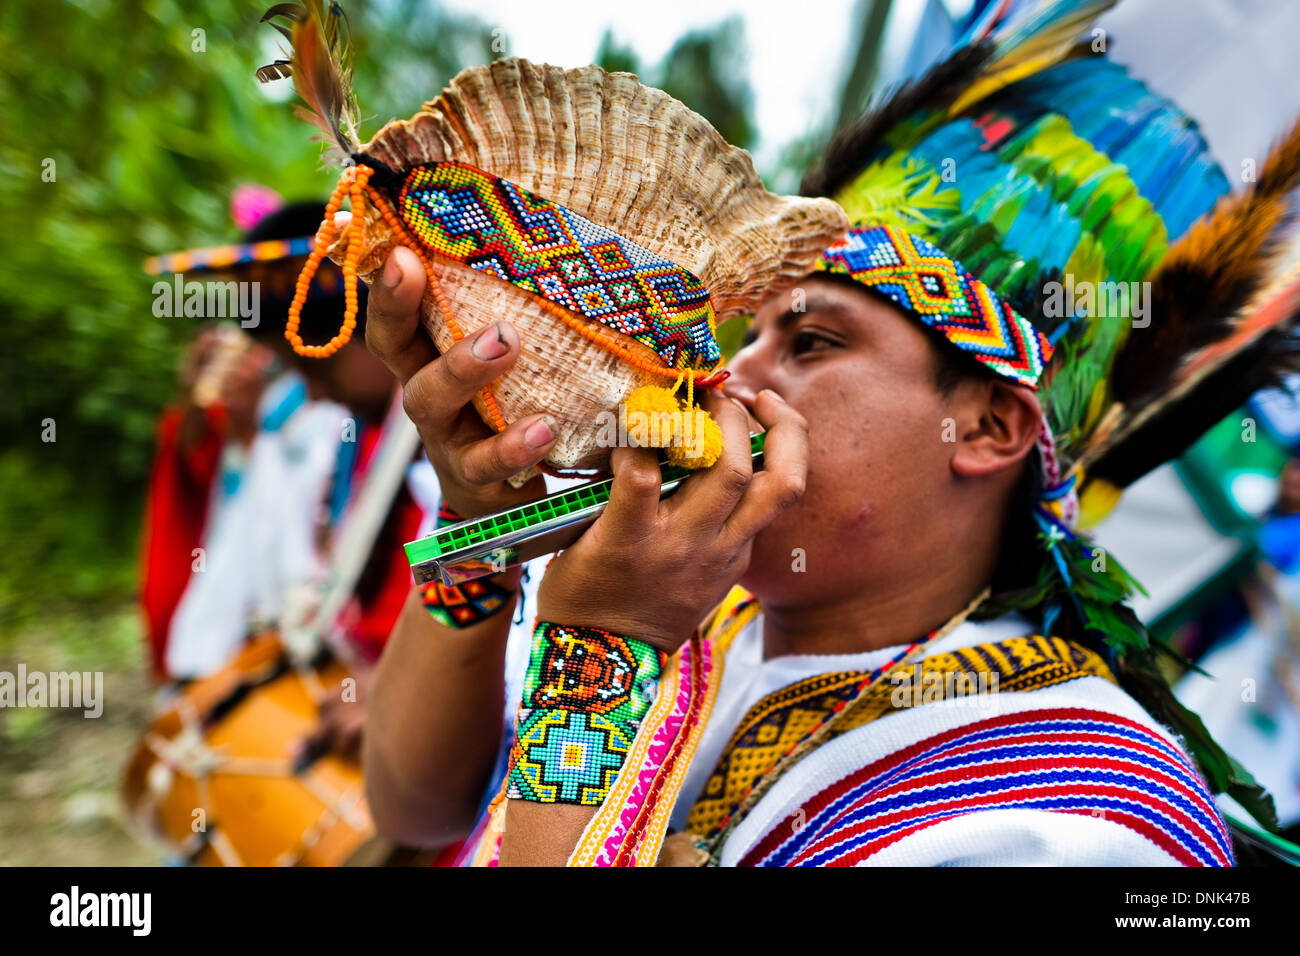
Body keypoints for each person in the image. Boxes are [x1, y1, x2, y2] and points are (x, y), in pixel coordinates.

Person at [361, 6, 1300, 865]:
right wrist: (480, 536)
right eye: (748, 334)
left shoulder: (1082, 821)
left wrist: (597, 653)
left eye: (810, 342)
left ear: (987, 426)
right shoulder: (712, 620)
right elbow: (418, 808)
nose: (731, 376)